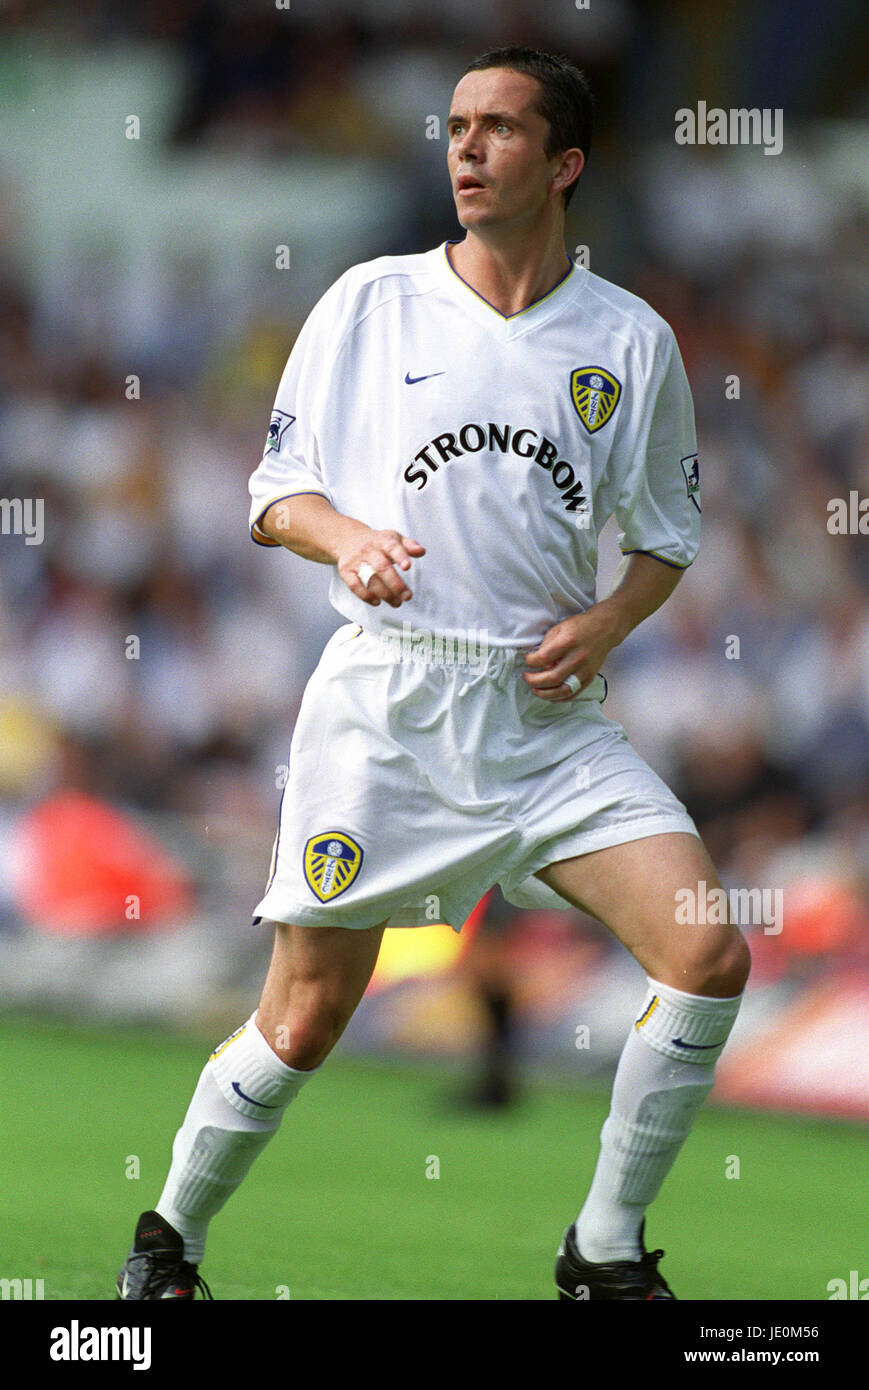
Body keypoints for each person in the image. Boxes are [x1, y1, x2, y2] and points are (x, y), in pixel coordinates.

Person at [117, 46, 750, 1302]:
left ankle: (603, 1252)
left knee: (708, 952)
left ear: (562, 164)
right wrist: (347, 535)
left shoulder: (629, 342)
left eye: (499, 129)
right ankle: (168, 1242)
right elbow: (275, 494)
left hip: (544, 719)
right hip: (390, 706)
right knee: (300, 1021)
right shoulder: (368, 302)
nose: (464, 149)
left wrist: (610, 623)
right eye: (455, 126)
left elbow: (665, 540)